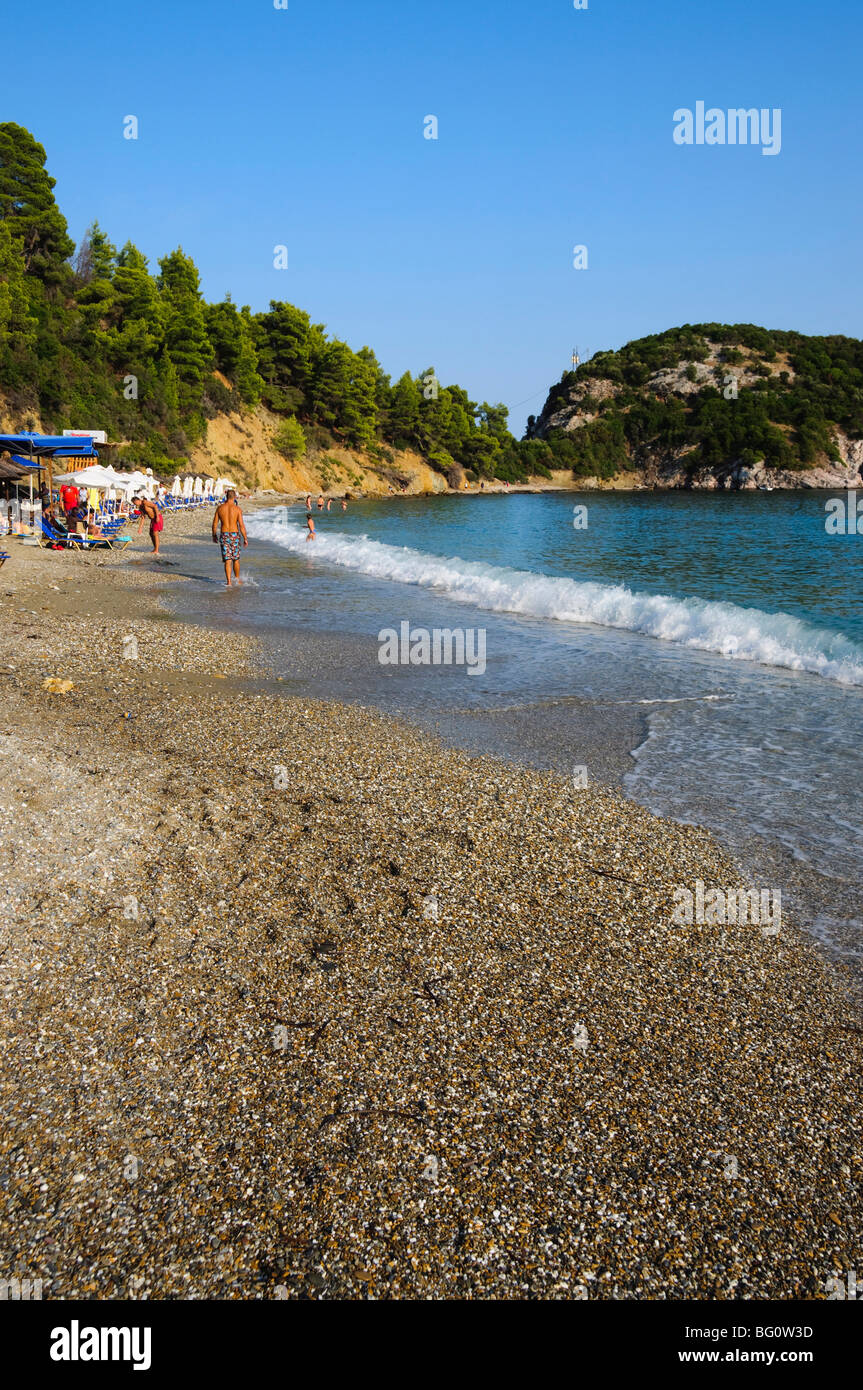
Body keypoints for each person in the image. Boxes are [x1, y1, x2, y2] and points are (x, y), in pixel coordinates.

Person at [212, 487, 248, 586]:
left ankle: (228, 582)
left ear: (226, 496)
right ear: (235, 497)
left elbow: (215, 523)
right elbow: (241, 526)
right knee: (236, 559)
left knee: (227, 560)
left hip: (224, 535)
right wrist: (245, 538)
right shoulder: (237, 509)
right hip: (234, 535)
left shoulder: (220, 508)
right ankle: (237, 579)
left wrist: (214, 535)